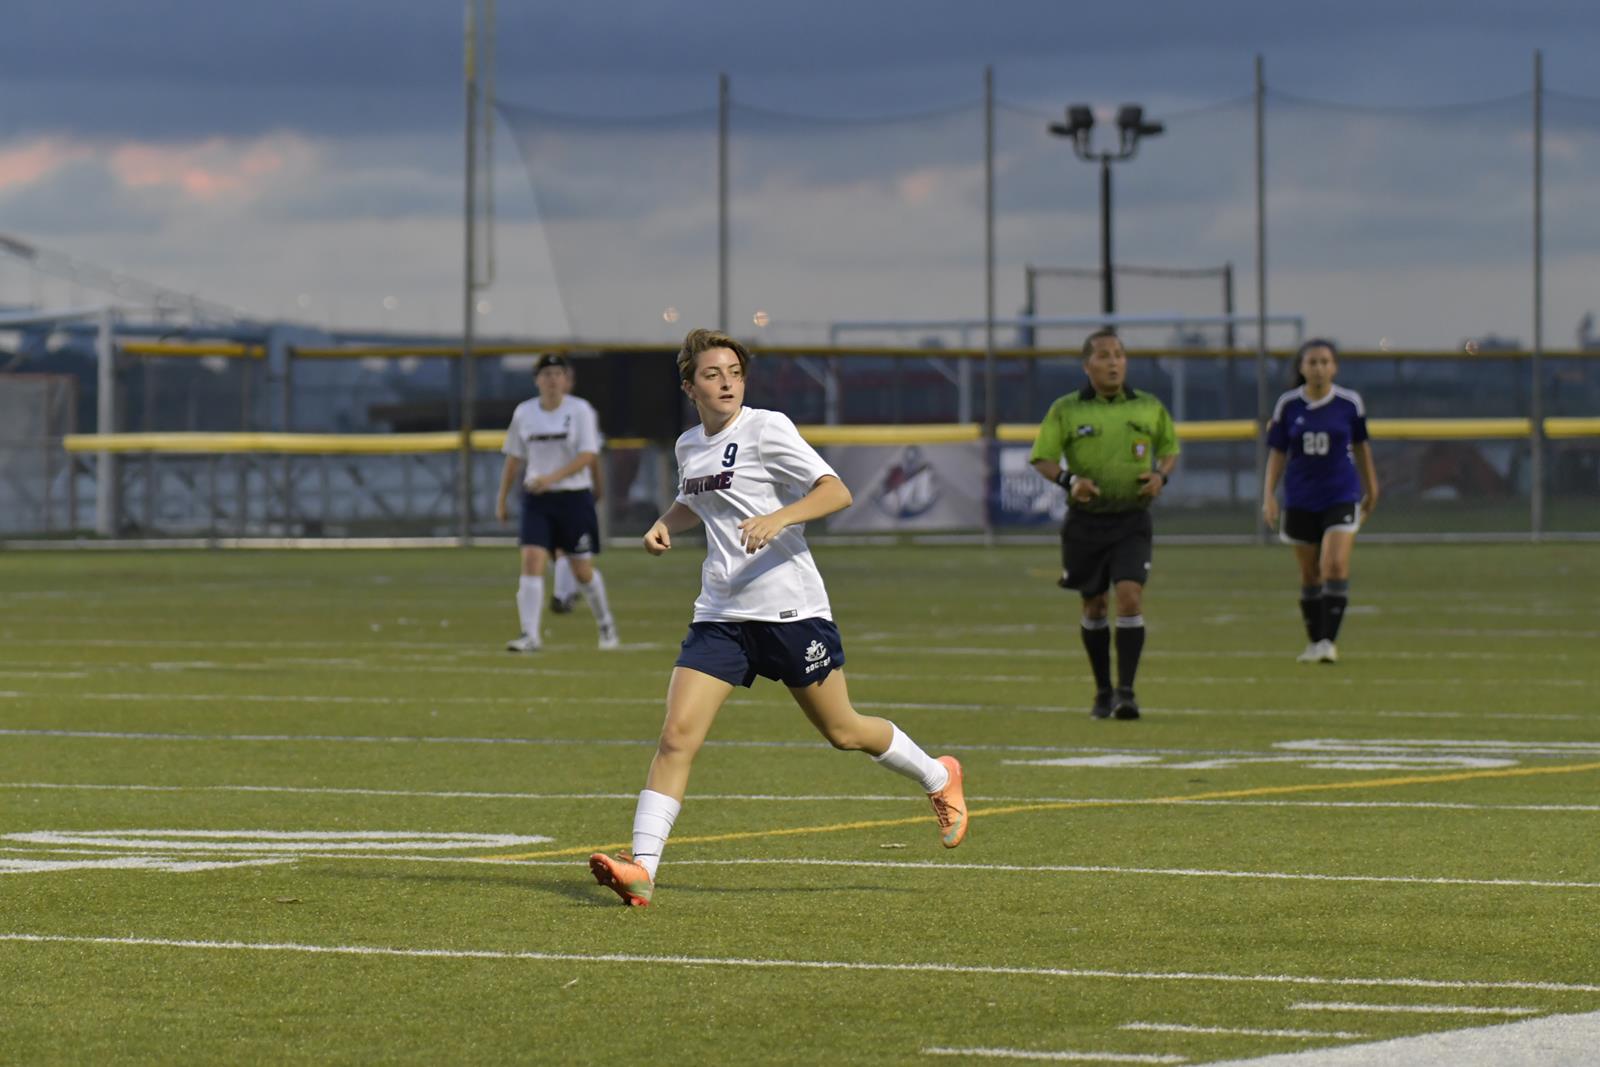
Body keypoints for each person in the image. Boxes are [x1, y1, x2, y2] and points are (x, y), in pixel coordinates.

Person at [588, 328, 967, 907]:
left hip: (790, 610)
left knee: (843, 731)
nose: (726, 383)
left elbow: (835, 492)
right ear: (689, 386)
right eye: (713, 375)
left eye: (734, 373)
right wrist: (667, 521)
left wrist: (781, 518)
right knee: (675, 737)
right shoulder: (689, 444)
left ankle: (939, 777)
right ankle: (642, 868)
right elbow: (694, 501)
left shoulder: (768, 427)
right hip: (720, 612)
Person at [1030, 328, 1180, 721]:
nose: (1113, 361)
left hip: (1132, 519)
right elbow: (1043, 458)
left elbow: (1170, 450)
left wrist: (1161, 477)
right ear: (1087, 365)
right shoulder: (1066, 409)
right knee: (1094, 604)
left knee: (1130, 596)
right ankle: (1102, 691)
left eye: (1119, 354)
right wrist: (1070, 481)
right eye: (1103, 355)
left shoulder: (1149, 406)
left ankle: (1127, 694)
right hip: (1085, 523)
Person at [1262, 339, 1380, 664]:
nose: (1318, 368)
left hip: (1341, 493)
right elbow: (1277, 453)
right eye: (1312, 362)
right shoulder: (1288, 406)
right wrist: (1268, 496)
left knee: (1335, 564)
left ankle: (1329, 641)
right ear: (1301, 367)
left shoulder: (1348, 403)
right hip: (1301, 497)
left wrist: (1372, 487)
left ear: (1335, 367)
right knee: (1310, 573)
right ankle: (1315, 641)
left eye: (1325, 362)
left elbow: (1361, 447)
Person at [495, 354, 619, 652]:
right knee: (532, 559)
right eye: (546, 374)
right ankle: (530, 635)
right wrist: (501, 499)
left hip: (573, 498)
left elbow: (588, 455)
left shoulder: (580, 411)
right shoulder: (524, 413)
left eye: (557, 374)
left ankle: (606, 625)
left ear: (566, 379)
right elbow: (514, 457)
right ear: (537, 380)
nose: (552, 380)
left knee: (581, 570)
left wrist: (552, 478)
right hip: (537, 499)